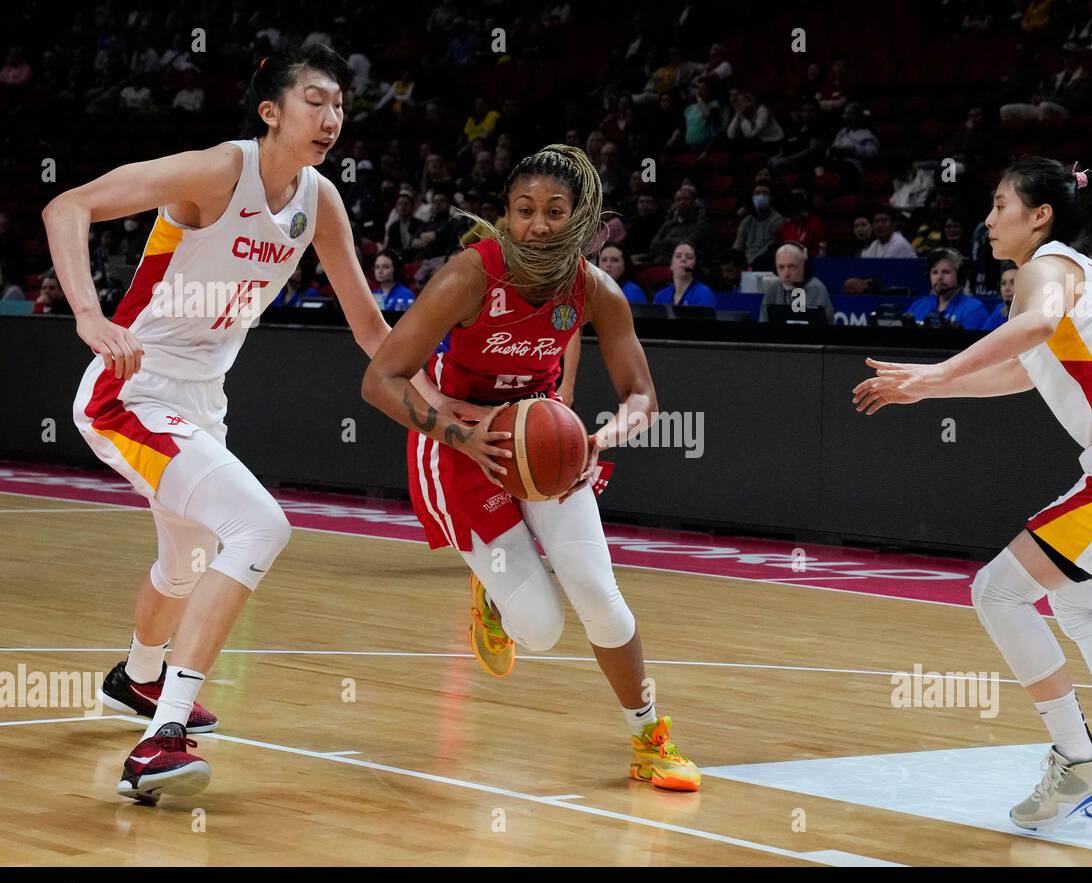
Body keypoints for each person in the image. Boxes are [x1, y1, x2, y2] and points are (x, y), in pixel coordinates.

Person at [43, 46, 447, 803]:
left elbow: (370, 329)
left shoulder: (319, 201)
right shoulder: (216, 172)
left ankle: (135, 678)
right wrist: (90, 318)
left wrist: (444, 418)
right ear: (272, 112)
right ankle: (159, 741)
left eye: (338, 106)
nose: (331, 119)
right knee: (261, 526)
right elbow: (65, 206)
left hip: (201, 400)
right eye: (315, 102)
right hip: (131, 389)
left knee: (185, 566)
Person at [854, 157, 1092, 829]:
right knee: (1075, 599)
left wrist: (936, 368)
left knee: (997, 591)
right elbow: (1024, 372)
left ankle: (1076, 756)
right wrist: (926, 387)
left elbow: (1029, 329)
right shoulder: (1081, 275)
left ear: (1040, 215)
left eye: (1000, 205)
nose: (989, 219)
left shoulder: (1044, 269)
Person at [361, 144, 700, 791]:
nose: (537, 224)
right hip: (458, 443)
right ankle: (492, 592)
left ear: (581, 219)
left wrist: (600, 441)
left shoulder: (593, 290)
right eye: (523, 211)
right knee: (541, 630)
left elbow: (642, 398)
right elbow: (381, 378)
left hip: (542, 439)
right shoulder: (469, 275)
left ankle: (650, 739)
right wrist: (457, 434)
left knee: (599, 594)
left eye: (553, 211)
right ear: (506, 216)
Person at [905, 249, 989, 329]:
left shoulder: (974, 310)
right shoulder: (919, 305)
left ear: (960, 277)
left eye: (946, 272)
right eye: (934, 272)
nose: (939, 277)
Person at [760, 243, 832, 322]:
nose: (786, 274)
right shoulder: (773, 289)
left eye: (792, 267)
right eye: (781, 267)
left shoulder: (815, 289)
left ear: (804, 267)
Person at [652, 241, 716, 307]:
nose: (683, 259)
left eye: (689, 257)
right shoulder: (660, 296)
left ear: (695, 265)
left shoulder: (703, 294)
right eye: (678, 256)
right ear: (671, 265)